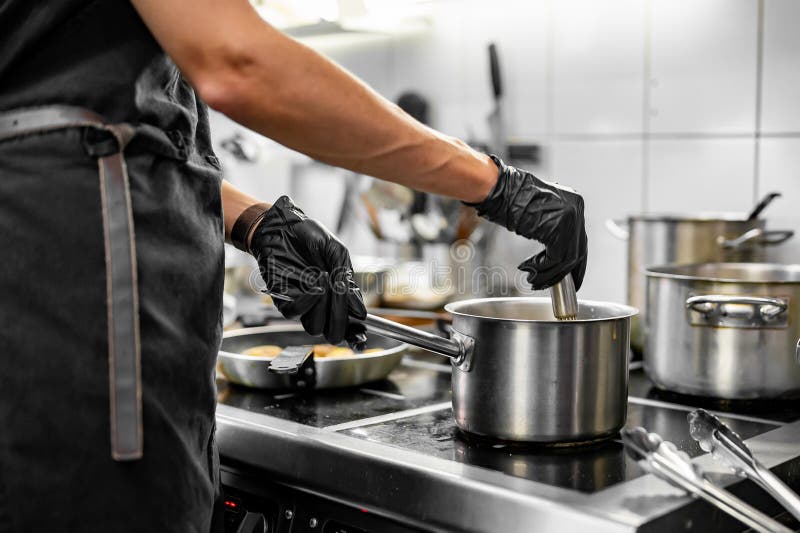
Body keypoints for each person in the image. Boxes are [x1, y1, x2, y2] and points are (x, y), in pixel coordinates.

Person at [0, 1, 587, 531]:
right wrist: (497, 184)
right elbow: (238, 62)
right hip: (74, 311)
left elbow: (81, 122)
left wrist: (252, 221)